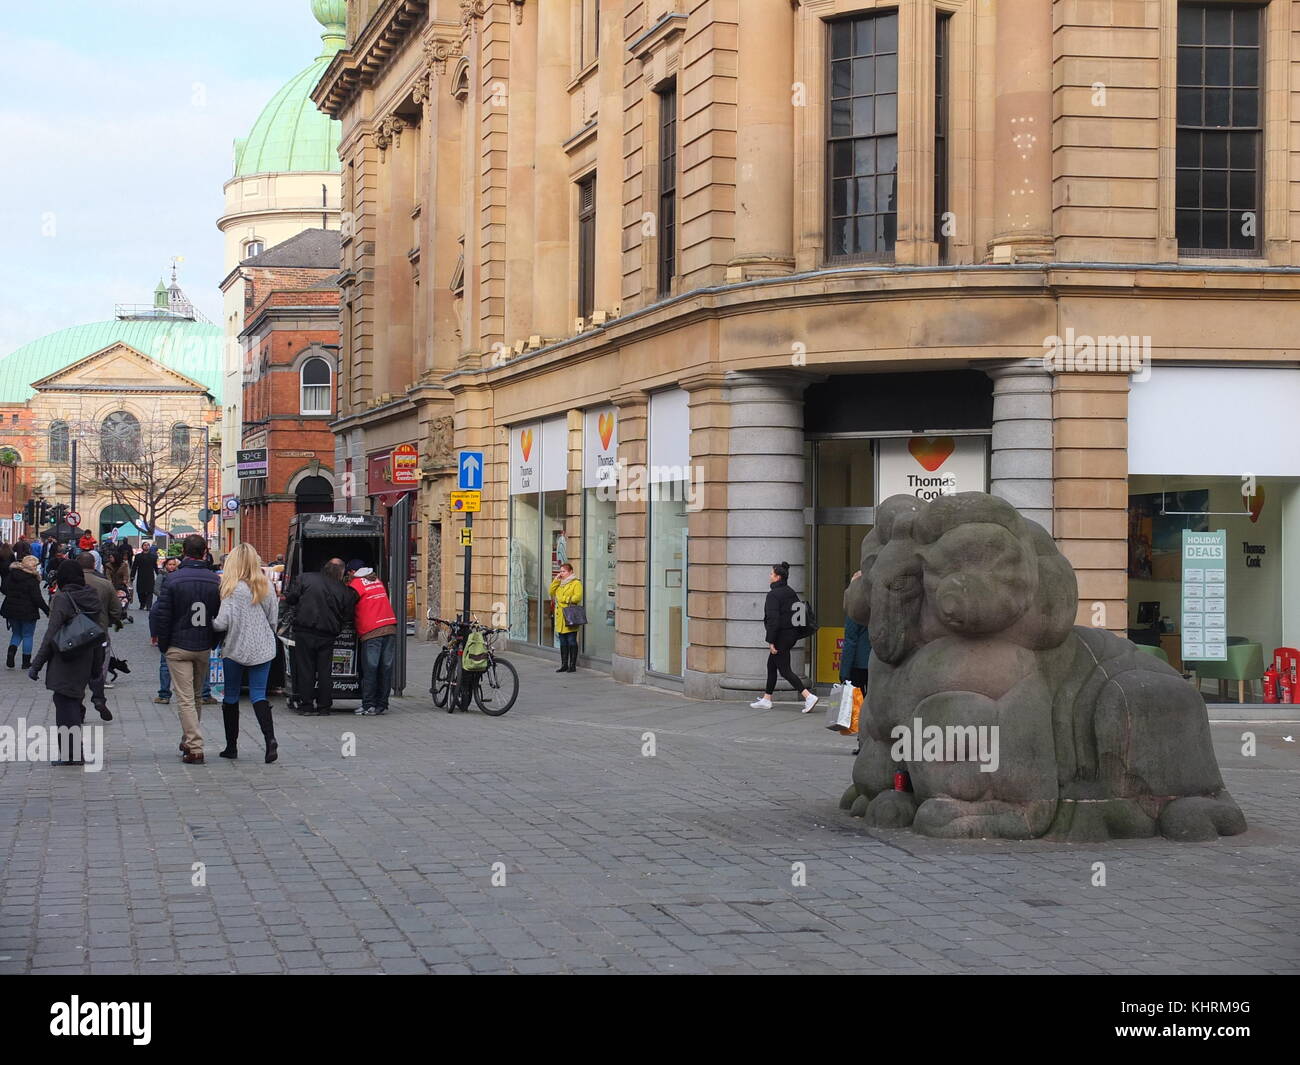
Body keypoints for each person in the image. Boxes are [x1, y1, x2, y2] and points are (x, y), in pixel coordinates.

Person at [150, 534, 221, 763]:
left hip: (179, 644)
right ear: (204, 552)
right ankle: (188, 739)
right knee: (196, 695)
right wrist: (214, 640)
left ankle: (195, 745)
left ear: (184, 552)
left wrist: (163, 642)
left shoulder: (173, 579)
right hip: (203, 644)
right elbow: (220, 615)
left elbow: (163, 614)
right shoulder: (215, 580)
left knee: (185, 698)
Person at [27, 560, 103, 766]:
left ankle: (72, 754)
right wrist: (97, 667)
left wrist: (37, 664)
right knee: (73, 700)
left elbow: (51, 633)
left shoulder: (62, 599)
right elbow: (98, 631)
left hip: (66, 656)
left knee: (65, 704)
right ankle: (73, 751)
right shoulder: (91, 595)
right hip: (86, 655)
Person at [212, 544, 279, 763]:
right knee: (258, 694)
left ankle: (231, 746)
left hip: (236, 648)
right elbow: (272, 619)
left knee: (231, 696)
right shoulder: (265, 585)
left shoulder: (231, 588)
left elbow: (222, 623)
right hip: (263, 647)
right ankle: (269, 740)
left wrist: (211, 624)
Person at [283, 559, 358, 716]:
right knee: (325, 671)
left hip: (304, 630)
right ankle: (324, 706)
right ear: (341, 572)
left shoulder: (305, 578)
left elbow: (291, 598)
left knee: (306, 669)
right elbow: (348, 614)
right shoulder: (344, 590)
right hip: (328, 633)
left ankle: (307, 705)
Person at [751, 561, 819, 713]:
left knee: (785, 670)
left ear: (778, 577)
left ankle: (808, 696)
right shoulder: (790, 592)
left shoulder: (773, 595)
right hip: (790, 635)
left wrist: (771, 641)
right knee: (771, 665)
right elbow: (798, 615)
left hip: (780, 637)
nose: (769, 576)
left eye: (771, 574)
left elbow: (773, 620)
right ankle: (766, 698)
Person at [347, 559, 397, 716]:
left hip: (372, 630)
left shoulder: (355, 584)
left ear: (352, 572)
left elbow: (347, 605)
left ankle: (368, 705)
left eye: (348, 573)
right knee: (386, 668)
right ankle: (382, 704)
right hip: (389, 627)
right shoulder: (376, 580)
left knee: (371, 668)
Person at [77, 552, 122, 720]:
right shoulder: (105, 584)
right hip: (99, 631)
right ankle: (98, 698)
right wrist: (110, 620)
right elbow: (117, 610)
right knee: (98, 668)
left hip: (75, 635)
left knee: (77, 671)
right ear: (94, 564)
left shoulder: (70, 584)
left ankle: (79, 708)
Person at [839, 570, 872, 756]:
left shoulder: (855, 609)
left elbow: (850, 641)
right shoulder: (875, 605)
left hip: (859, 664)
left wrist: (844, 670)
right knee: (872, 702)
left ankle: (863, 742)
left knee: (860, 705)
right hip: (875, 662)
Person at [3, 554, 49, 670]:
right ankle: (26, 662)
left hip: (11, 609)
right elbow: (37, 598)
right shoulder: (32, 580)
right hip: (27, 611)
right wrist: (47, 610)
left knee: (16, 633)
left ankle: (11, 654)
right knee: (28, 635)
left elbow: (3, 588)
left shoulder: (11, 575)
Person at [548, 562, 584, 673]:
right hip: (560, 617)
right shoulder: (560, 583)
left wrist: (564, 599)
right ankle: (564, 664)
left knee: (571, 641)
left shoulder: (576, 583)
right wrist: (556, 580)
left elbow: (577, 597)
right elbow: (551, 592)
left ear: (570, 572)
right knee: (563, 642)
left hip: (570, 615)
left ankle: (572, 665)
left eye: (564, 571)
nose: (561, 573)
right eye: (561, 571)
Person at [133, 543, 158, 610]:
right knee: (140, 591)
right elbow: (134, 566)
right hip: (141, 575)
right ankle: (142, 603)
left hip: (150, 575)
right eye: (145, 545)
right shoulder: (138, 556)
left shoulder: (153, 556)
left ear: (149, 547)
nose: (146, 546)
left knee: (150, 591)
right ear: (142, 547)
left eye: (147, 545)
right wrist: (132, 576)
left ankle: (149, 605)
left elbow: (155, 566)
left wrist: (158, 574)